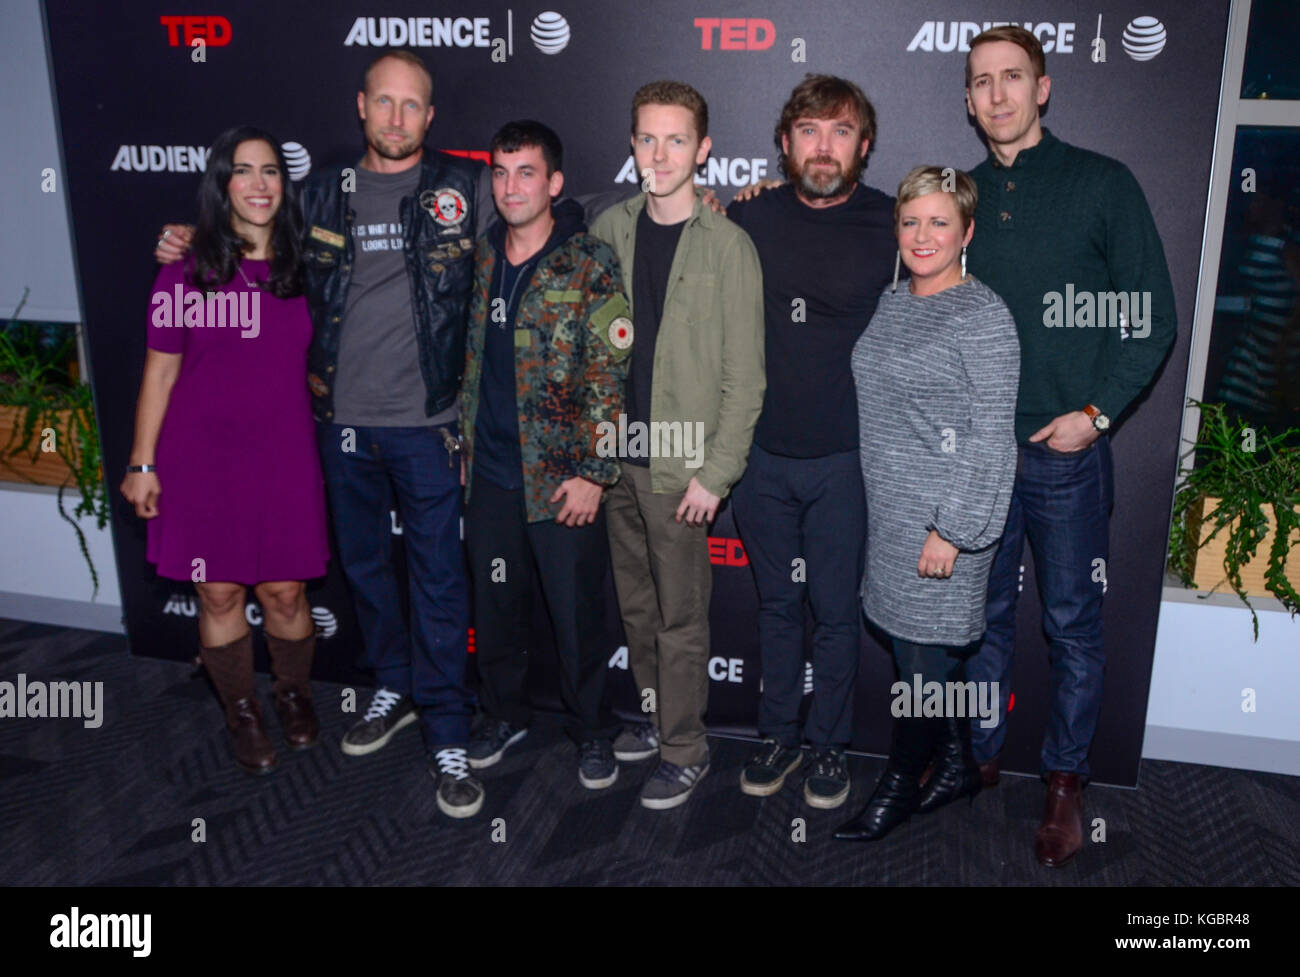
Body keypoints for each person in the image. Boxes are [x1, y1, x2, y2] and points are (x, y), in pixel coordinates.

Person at [156, 50, 493, 818]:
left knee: (439, 579)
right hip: (339, 425)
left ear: (431, 117)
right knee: (368, 572)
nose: (398, 118)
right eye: (386, 103)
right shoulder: (319, 196)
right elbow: (244, 235)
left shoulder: (464, 187)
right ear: (362, 106)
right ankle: (394, 688)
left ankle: (445, 724)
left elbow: (546, 210)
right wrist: (184, 236)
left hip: (431, 426)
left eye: (414, 106)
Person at [960, 26, 1177, 865]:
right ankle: (977, 751)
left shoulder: (1102, 183)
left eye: (1014, 77)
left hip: (1064, 454)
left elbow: (1149, 314)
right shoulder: (963, 195)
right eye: (983, 82)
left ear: (1042, 88)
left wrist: (1097, 412)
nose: (1000, 95)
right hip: (979, 455)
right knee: (978, 620)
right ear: (969, 99)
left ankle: (1064, 784)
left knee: (1072, 624)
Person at [124, 127, 329, 775]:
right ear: (222, 185)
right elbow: (158, 371)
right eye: (243, 171)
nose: (260, 183)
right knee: (217, 594)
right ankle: (241, 710)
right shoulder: (185, 268)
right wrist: (141, 461)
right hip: (200, 459)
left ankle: (291, 693)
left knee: (286, 591)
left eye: (270, 171)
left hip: (284, 453)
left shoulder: (309, 266)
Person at [589, 81, 765, 810]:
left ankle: (686, 748)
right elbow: (589, 353)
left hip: (682, 467)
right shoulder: (608, 229)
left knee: (682, 618)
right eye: (647, 139)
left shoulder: (729, 245)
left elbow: (745, 378)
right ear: (632, 144)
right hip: (617, 458)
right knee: (635, 606)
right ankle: (659, 718)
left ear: (704, 150)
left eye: (676, 140)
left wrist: (714, 476)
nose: (660, 154)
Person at [726, 75, 895, 809]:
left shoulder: (894, 224)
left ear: (864, 145)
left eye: (839, 131)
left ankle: (830, 746)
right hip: (760, 456)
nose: (822, 147)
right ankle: (777, 735)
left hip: (846, 460)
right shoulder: (749, 218)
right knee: (774, 606)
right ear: (785, 142)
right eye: (808, 131)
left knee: (834, 610)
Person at [835, 166, 1019, 841]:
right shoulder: (894, 300)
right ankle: (956, 765)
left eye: (939, 221)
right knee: (924, 658)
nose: (922, 234)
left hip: (945, 522)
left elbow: (992, 436)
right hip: (892, 517)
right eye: (911, 220)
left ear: (966, 231)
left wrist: (953, 529)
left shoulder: (982, 316)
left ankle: (897, 786)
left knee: (920, 667)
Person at [461, 121, 630, 788]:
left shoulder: (589, 262)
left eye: (526, 172)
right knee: (496, 608)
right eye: (500, 173)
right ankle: (503, 713)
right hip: (493, 476)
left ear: (554, 183)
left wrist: (596, 471)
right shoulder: (479, 258)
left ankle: (593, 728)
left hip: (562, 477)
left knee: (577, 615)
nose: (511, 187)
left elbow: (612, 373)